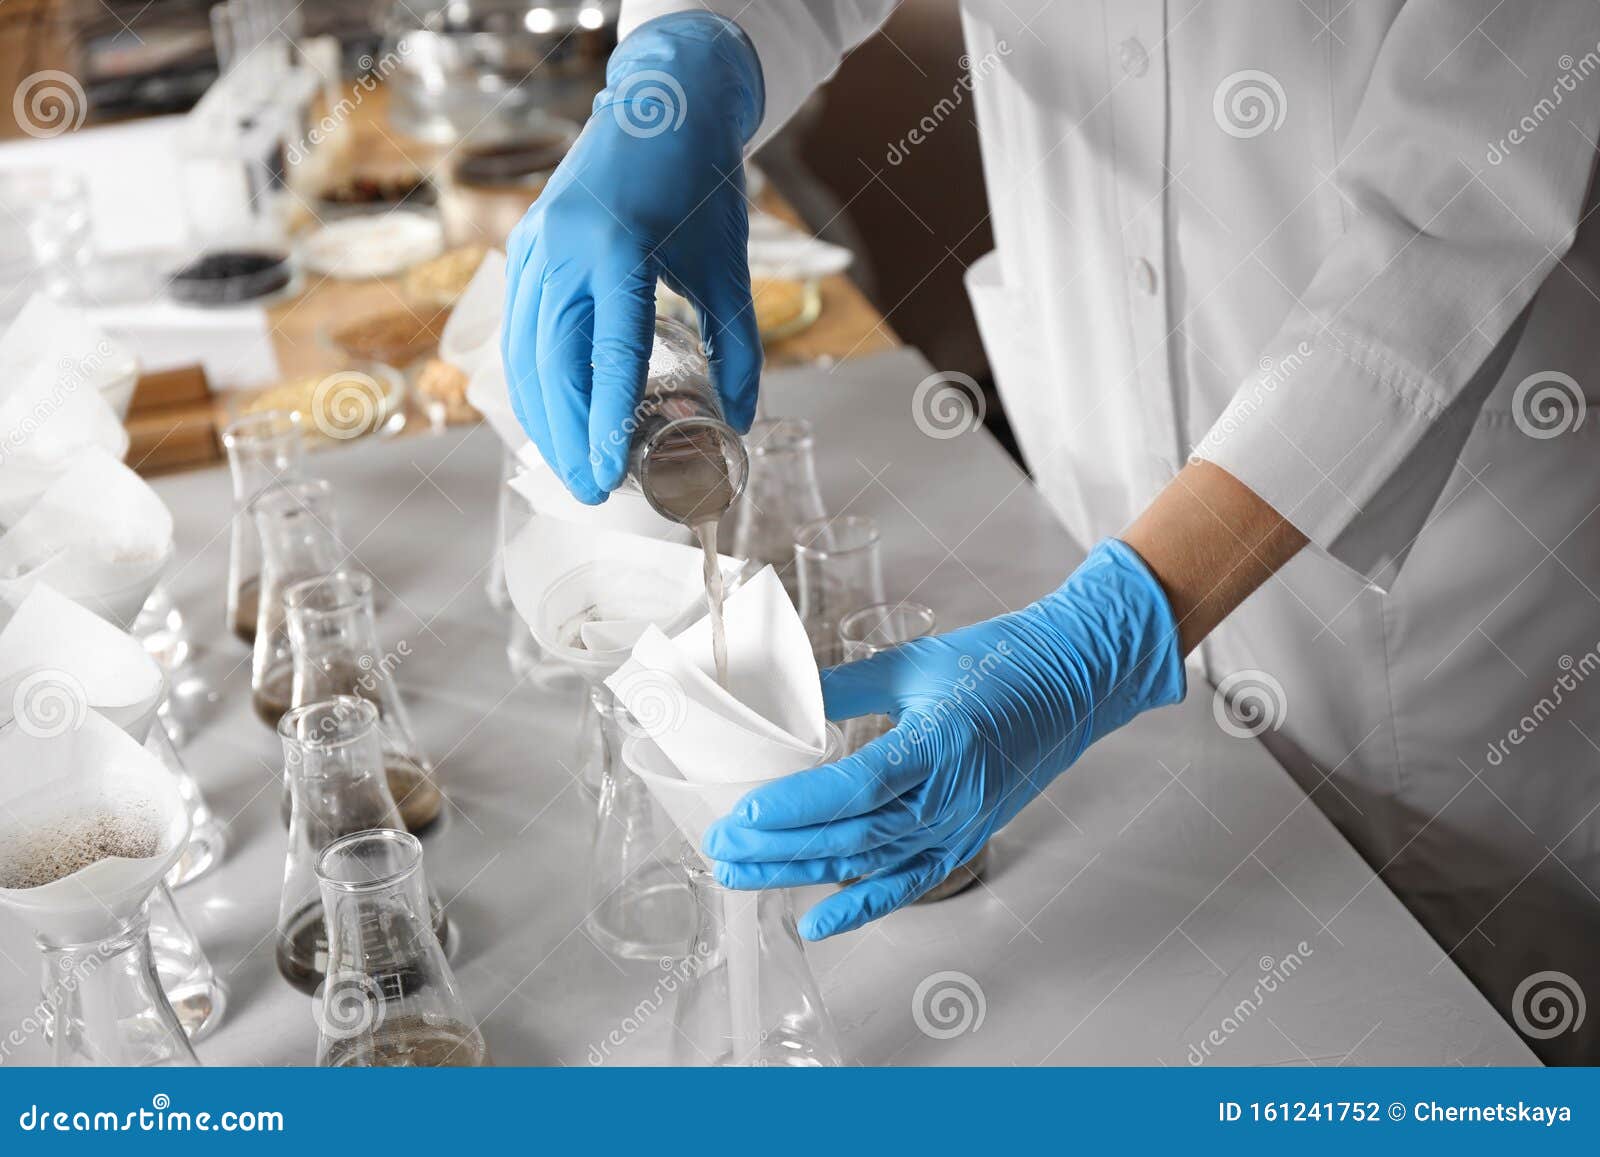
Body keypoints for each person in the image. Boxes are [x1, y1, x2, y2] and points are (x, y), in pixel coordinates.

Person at [503, 1, 1600, 1063]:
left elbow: (1459, 213)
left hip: (1436, 572)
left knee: (1467, 1026)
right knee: (1166, 991)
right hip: (1098, 460)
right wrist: (689, 60)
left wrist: (1114, 624)